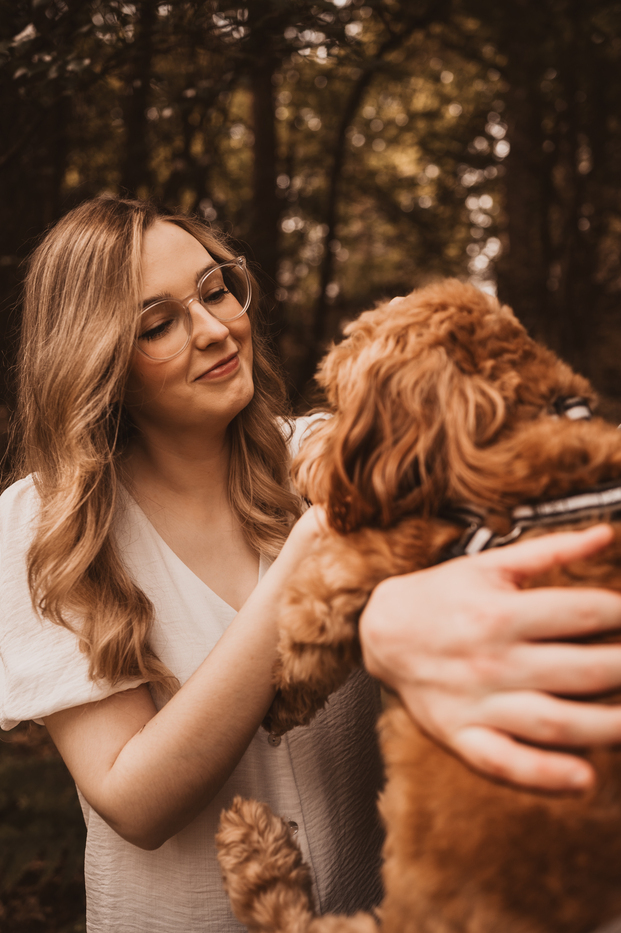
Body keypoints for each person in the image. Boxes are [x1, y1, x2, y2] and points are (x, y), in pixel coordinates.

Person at [2, 197, 621, 932]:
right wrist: (308, 550)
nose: (214, 329)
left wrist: (388, 616)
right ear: (98, 361)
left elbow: (522, 521)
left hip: (381, 902)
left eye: (215, 289)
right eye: (158, 324)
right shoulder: (45, 522)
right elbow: (135, 800)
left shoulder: (334, 446)